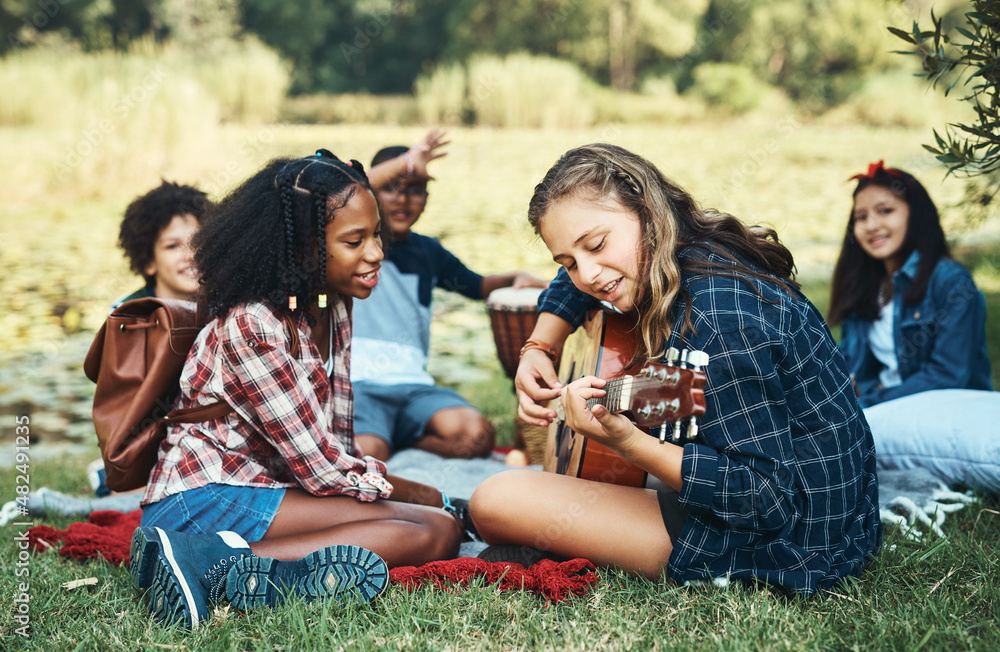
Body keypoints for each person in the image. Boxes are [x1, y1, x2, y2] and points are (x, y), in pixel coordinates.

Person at [470, 143, 882, 595]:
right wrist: (539, 347)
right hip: (817, 507)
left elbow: (765, 499)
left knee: (494, 501)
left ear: (647, 211)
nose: (586, 274)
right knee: (558, 475)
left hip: (794, 540)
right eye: (568, 262)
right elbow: (582, 277)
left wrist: (628, 443)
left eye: (596, 245)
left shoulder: (720, 318)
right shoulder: (685, 251)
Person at [131, 149, 463, 630]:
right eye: (355, 241)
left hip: (265, 489)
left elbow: (337, 443)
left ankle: (241, 566)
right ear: (305, 248)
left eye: (376, 236)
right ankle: (200, 564)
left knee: (436, 529)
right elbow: (325, 471)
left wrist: (419, 500)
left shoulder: (333, 307)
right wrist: (421, 495)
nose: (376, 254)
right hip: (204, 498)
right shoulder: (255, 325)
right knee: (432, 529)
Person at [350, 130, 548, 461]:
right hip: (359, 386)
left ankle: (406, 443)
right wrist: (408, 163)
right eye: (391, 188)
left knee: (478, 437)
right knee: (368, 453)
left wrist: (516, 277)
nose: (403, 199)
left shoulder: (429, 252)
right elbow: (341, 191)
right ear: (369, 195)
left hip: (415, 388)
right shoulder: (348, 244)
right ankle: (386, 441)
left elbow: (476, 285)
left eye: (416, 190)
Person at [827, 160, 992, 408]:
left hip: (946, 416)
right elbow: (850, 366)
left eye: (885, 211)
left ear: (914, 214)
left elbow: (948, 376)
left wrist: (867, 403)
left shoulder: (951, 281)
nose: (871, 225)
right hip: (885, 417)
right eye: (861, 217)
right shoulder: (864, 287)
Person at [113, 180, 212, 309]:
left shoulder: (232, 309)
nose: (191, 254)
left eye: (198, 241)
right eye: (173, 246)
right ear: (148, 262)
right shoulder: (125, 313)